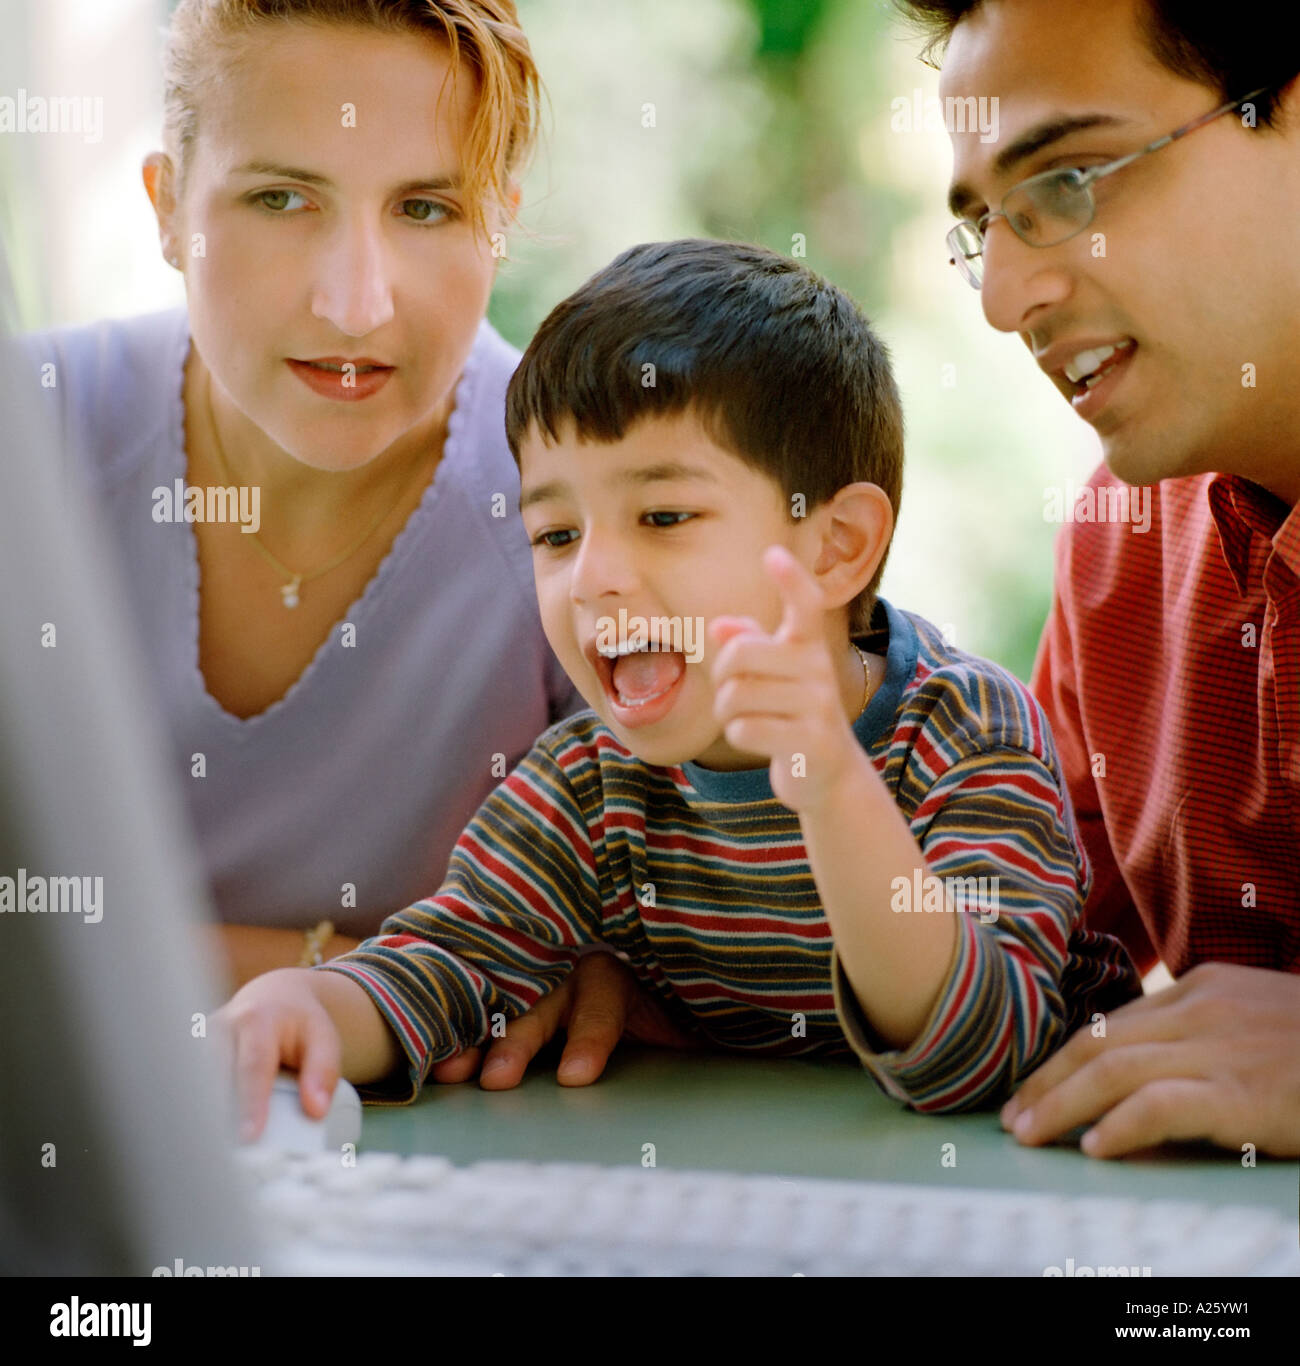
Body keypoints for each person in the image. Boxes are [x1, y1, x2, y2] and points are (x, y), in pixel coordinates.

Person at [215, 239, 1139, 1135]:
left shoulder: (966, 730)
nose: (594, 578)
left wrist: (831, 789)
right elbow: (455, 964)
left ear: (837, 546)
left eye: (663, 516)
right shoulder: (589, 783)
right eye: (557, 535)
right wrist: (315, 1008)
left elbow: (977, 1052)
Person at [13, 0, 594, 1002]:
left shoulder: (588, 504)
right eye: (282, 200)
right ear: (167, 209)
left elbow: (676, 947)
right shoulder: (34, 439)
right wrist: (411, 978)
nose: (355, 304)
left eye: (425, 209)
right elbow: (525, 971)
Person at [870, 0, 1300, 1160]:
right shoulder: (1124, 539)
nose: (1006, 301)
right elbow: (1006, 959)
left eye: (1068, 181)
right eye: (986, 226)